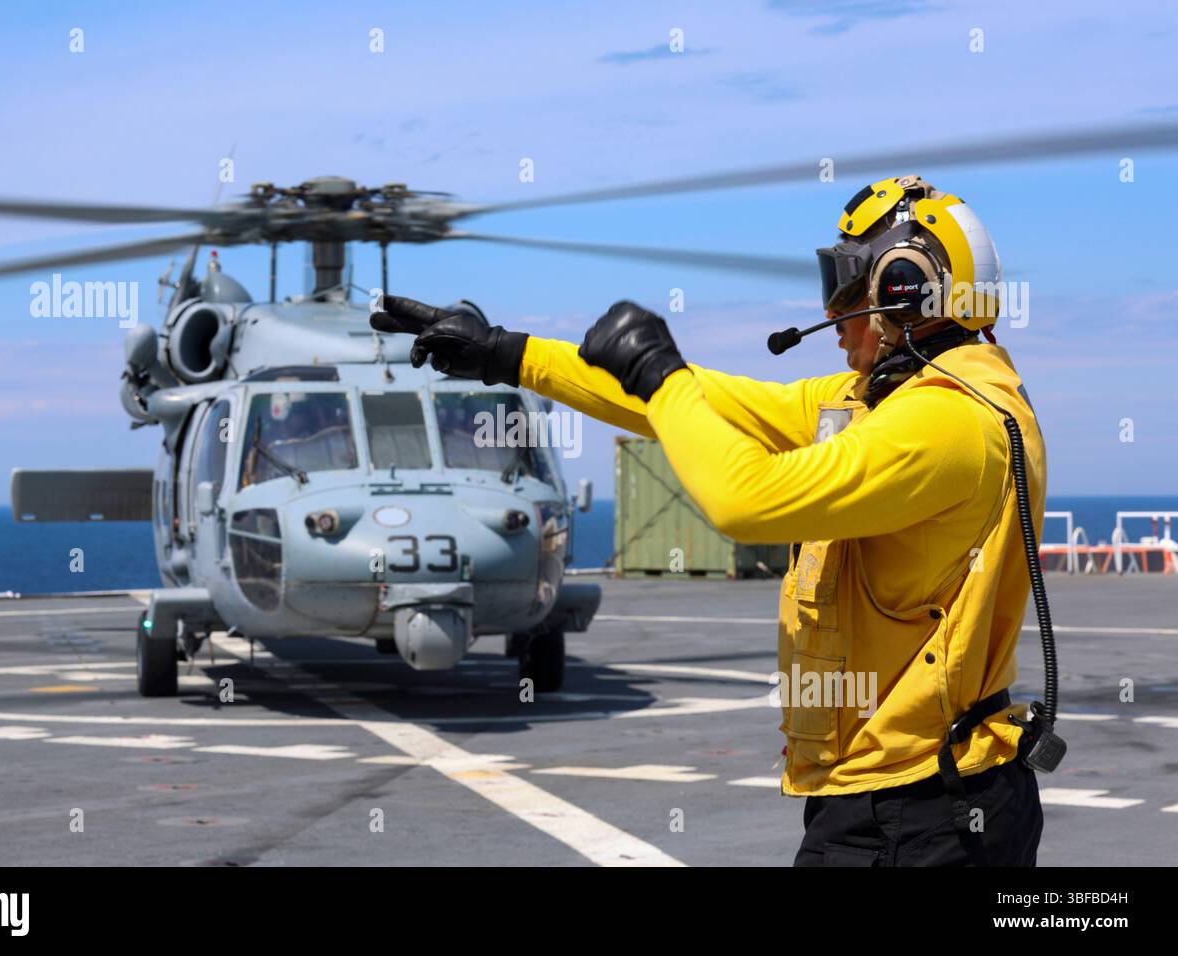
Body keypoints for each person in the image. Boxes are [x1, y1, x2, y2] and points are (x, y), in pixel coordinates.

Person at [370, 175, 1048, 867]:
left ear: (903, 288)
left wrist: (663, 378)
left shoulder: (945, 423)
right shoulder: (884, 400)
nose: (836, 318)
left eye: (849, 287)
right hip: (905, 798)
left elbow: (745, 500)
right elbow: (691, 404)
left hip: (917, 811)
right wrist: (506, 355)